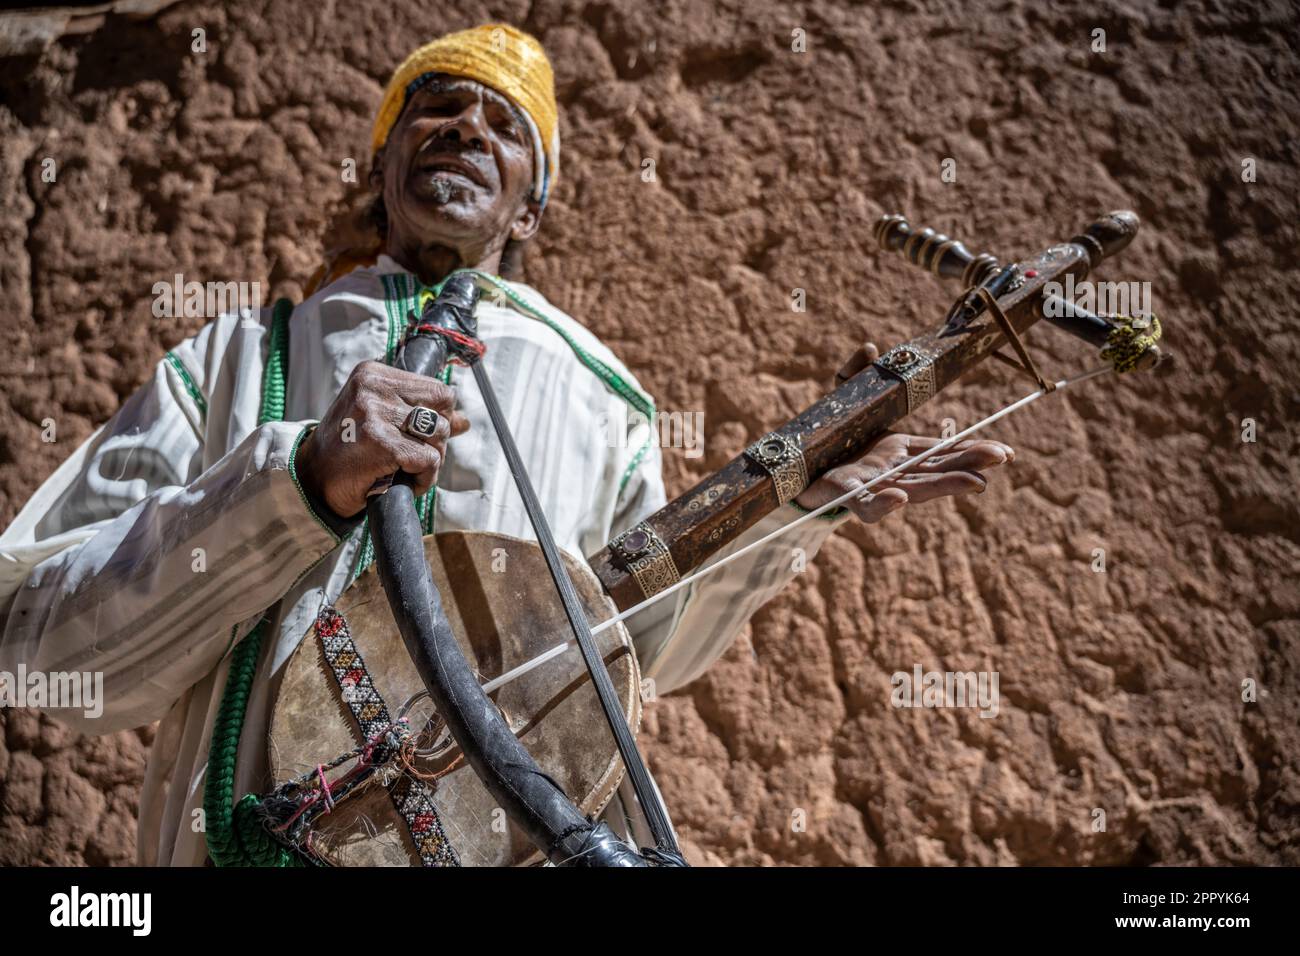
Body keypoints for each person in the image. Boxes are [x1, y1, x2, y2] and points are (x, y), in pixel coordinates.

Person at [0, 23, 1013, 865]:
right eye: (434, 108)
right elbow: (39, 639)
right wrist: (292, 481)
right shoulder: (236, 361)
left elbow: (647, 650)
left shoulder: (603, 398)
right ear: (381, 164)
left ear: (530, 204)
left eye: (504, 125)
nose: (465, 130)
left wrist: (795, 514)